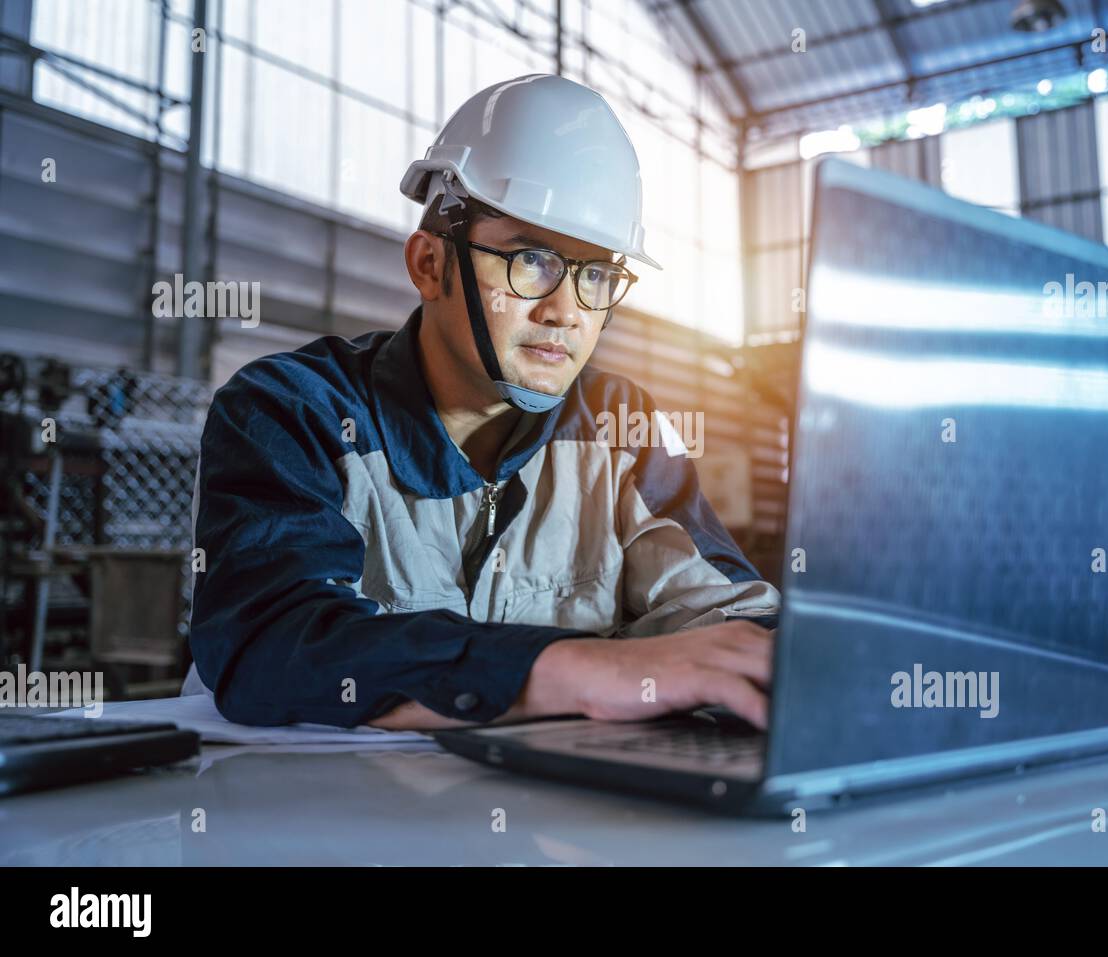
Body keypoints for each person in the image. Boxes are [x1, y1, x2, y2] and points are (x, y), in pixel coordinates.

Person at [185, 74, 780, 732]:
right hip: (308, 817)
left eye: (597, 274)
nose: (565, 312)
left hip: (550, 820)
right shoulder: (295, 412)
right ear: (431, 265)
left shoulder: (623, 430)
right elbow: (269, 642)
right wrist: (575, 669)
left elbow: (731, 617)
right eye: (532, 260)